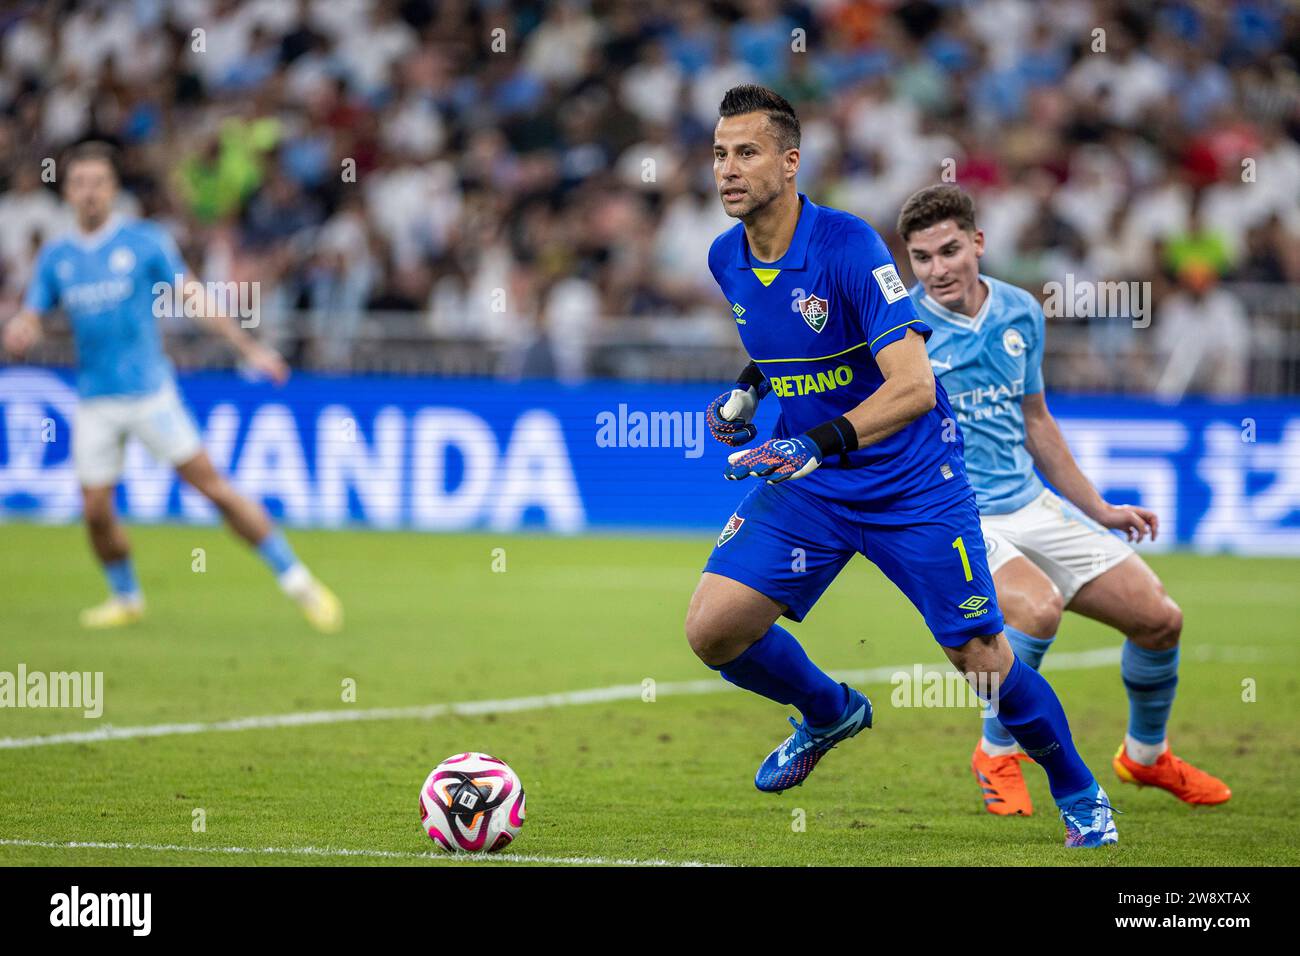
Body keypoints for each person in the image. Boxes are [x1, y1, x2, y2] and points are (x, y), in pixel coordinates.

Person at [685, 87, 1117, 846]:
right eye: (719, 153)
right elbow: (778, 337)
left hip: (909, 483)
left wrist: (813, 443)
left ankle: (1080, 790)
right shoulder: (726, 257)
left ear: (790, 163)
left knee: (980, 658)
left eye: (746, 152)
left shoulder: (848, 245)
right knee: (713, 631)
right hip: (810, 484)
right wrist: (748, 393)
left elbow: (915, 386)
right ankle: (829, 712)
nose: (727, 169)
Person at [897, 183, 1229, 815]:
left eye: (949, 251)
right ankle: (997, 750)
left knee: (1161, 620)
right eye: (921, 257)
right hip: (958, 513)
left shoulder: (1021, 310)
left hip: (1031, 504)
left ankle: (1146, 756)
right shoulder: (904, 331)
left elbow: (1039, 422)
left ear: (978, 243)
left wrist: (1098, 507)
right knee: (1036, 611)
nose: (937, 269)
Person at [2, 141, 342, 633]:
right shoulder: (58, 257)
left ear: (114, 190)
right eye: (79, 184)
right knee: (95, 510)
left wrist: (250, 350)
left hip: (150, 393)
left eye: (98, 183)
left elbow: (194, 299)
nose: (89, 193)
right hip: (95, 399)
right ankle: (126, 597)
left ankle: (299, 582)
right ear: (67, 191)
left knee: (213, 488)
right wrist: (22, 331)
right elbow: (32, 314)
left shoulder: (145, 242)